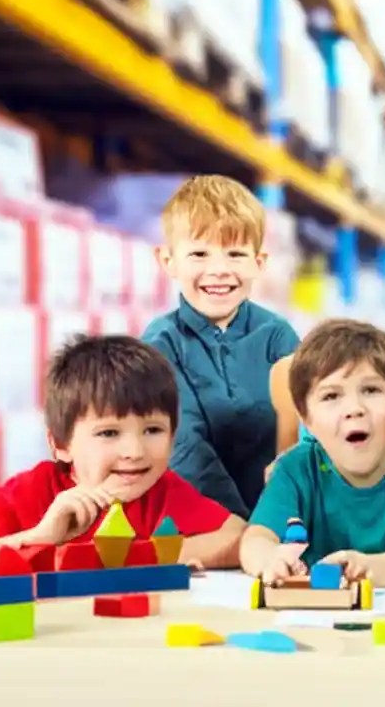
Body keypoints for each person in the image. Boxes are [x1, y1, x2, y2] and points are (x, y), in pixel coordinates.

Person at [238, 319, 385, 587]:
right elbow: (255, 539)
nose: (354, 408)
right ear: (306, 418)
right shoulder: (295, 472)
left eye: (371, 390)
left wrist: (375, 568)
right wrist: (271, 560)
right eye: (331, 396)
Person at [0, 335, 245, 568]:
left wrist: (145, 558)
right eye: (109, 433)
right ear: (60, 445)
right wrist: (41, 537)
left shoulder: (161, 493)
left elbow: (239, 536)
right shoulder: (29, 492)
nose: (134, 452)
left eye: (153, 430)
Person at [142, 175, 300, 518]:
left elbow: (307, 427)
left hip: (285, 526)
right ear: (168, 261)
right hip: (198, 524)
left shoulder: (279, 336)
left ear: (259, 263)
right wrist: (242, 531)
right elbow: (184, 446)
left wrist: (285, 513)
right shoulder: (160, 344)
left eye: (236, 254)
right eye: (199, 253)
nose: (219, 270)